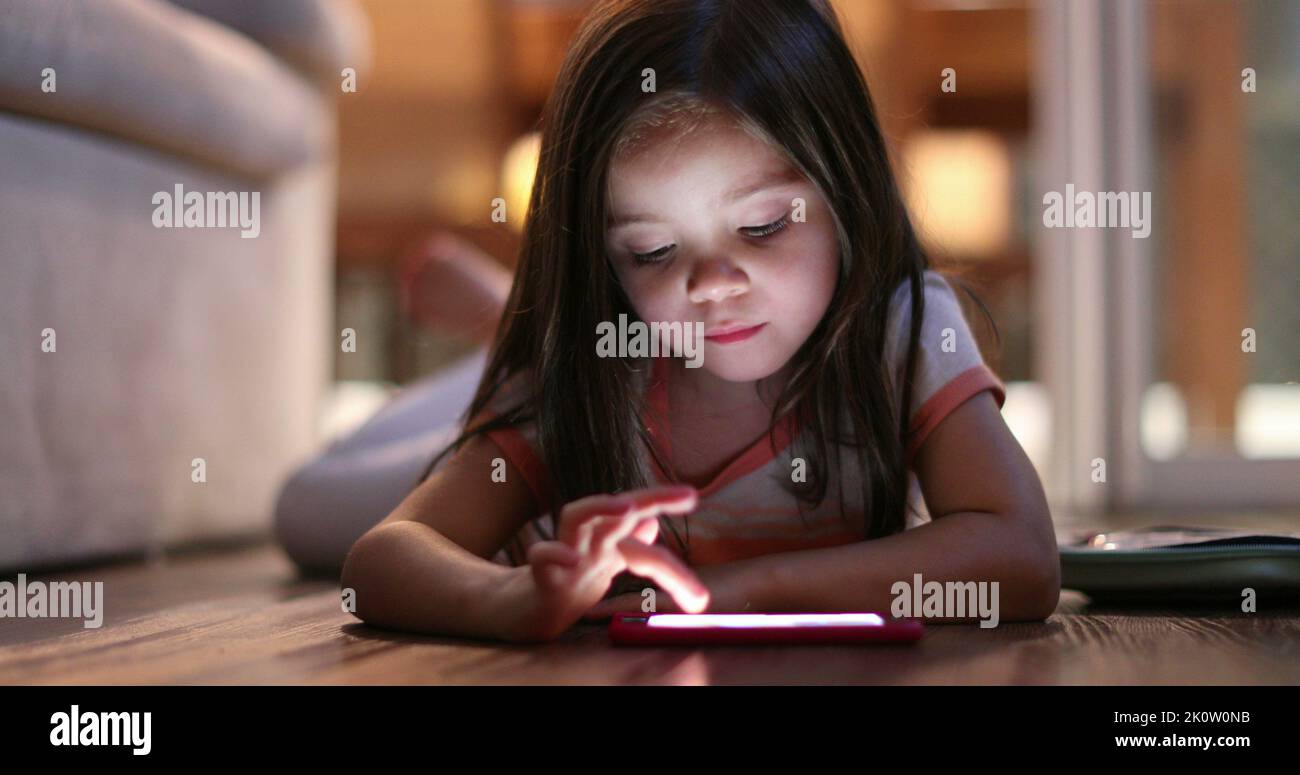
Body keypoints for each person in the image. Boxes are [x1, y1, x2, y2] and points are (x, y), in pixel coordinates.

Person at [296, 0, 1059, 642]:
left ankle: (505, 317)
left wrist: (747, 590)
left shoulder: (907, 327)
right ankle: (511, 328)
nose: (711, 285)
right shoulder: (584, 373)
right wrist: (514, 598)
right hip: (575, 366)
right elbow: (380, 559)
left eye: (762, 227)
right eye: (653, 249)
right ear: (602, 257)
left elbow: (1022, 558)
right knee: (304, 512)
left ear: (847, 196)